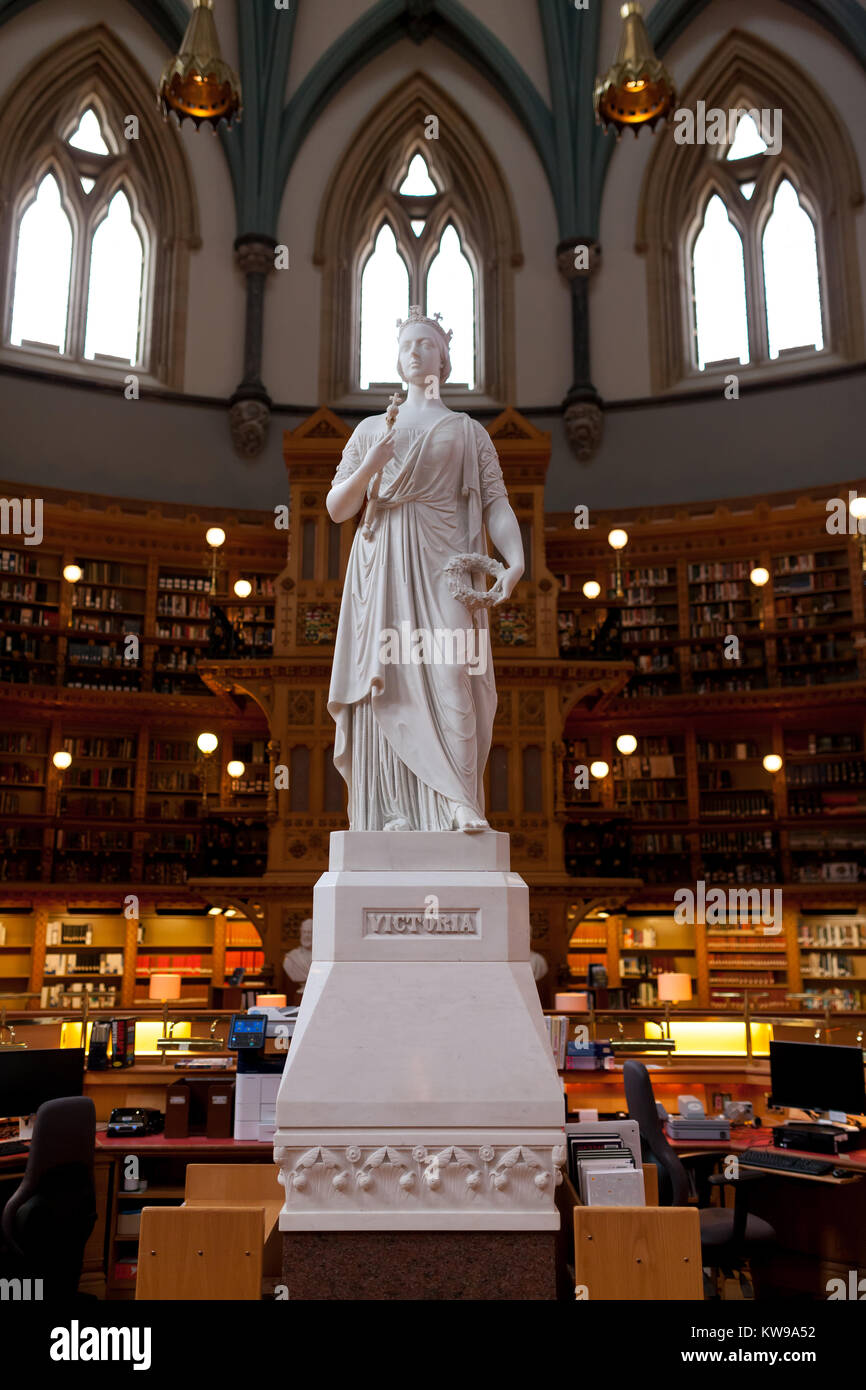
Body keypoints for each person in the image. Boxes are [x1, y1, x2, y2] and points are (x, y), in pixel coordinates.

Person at [326, 307, 524, 832]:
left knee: (452, 669)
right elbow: (337, 508)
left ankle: (459, 800)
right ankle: (395, 812)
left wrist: (516, 560)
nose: (417, 352)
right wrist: (372, 463)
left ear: (444, 359)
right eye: (409, 344)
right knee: (387, 677)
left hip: (449, 565)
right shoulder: (371, 430)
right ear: (397, 359)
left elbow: (496, 503)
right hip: (384, 564)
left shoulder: (467, 431)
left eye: (427, 344)